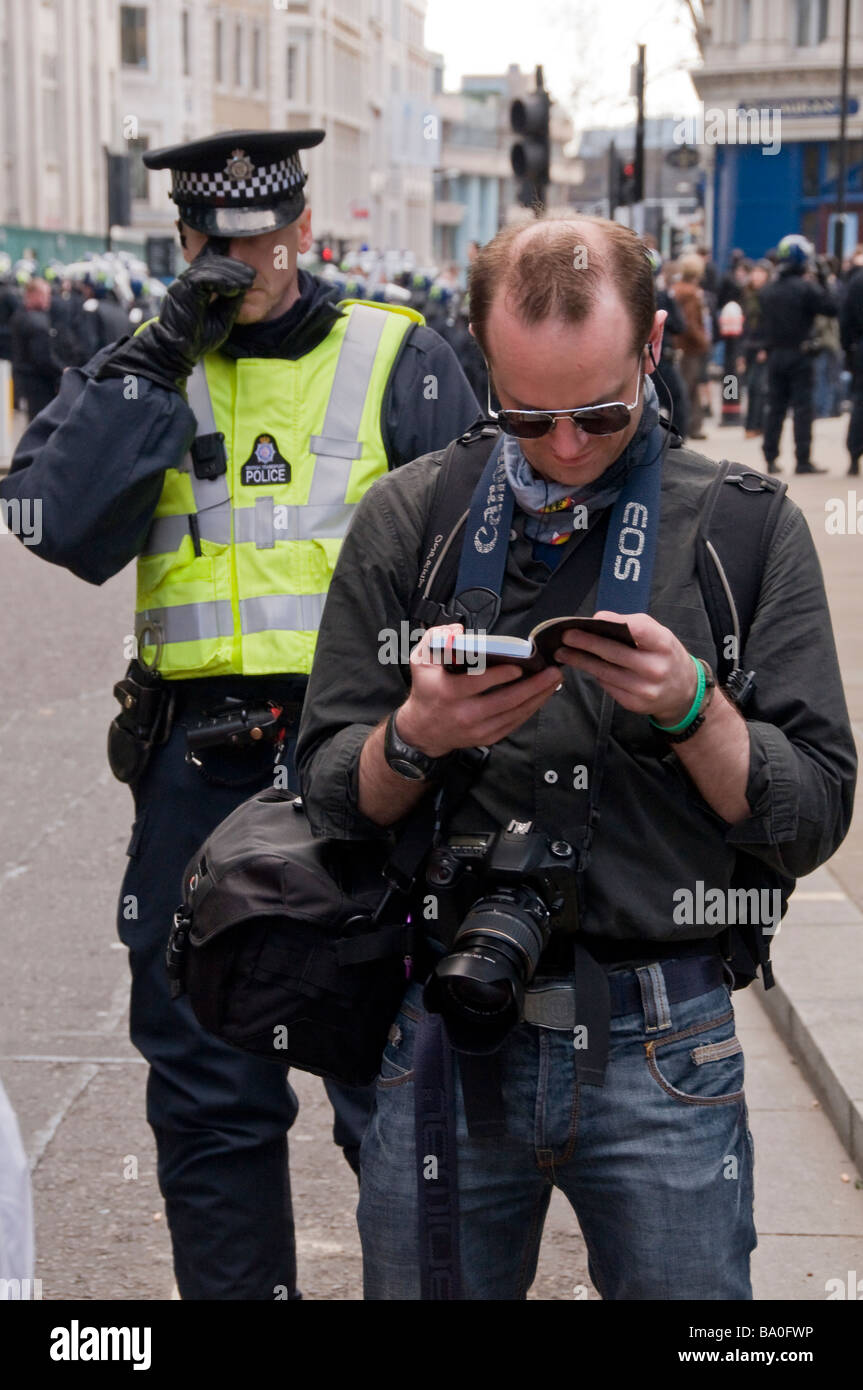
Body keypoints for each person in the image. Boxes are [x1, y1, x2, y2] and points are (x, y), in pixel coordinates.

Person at [296, 215, 856, 1301]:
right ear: (480, 363)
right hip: (446, 1021)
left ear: (652, 347)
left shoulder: (743, 529)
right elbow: (326, 795)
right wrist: (415, 739)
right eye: (526, 413)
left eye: (597, 412)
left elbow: (814, 814)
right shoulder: (409, 519)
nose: (562, 444)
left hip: (666, 1039)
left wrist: (697, 712)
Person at [0, 128, 480, 1300]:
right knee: (213, 1097)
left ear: (305, 231)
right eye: (218, 244)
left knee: (394, 1081)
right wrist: (160, 356)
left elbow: (483, 552)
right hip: (196, 779)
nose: (244, 265)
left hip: (370, 763)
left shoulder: (397, 356)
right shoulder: (141, 367)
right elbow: (46, 523)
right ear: (181, 242)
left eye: (265, 240)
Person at [758, 234, 837, 475]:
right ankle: (803, 459)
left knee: (775, 407)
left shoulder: (768, 290)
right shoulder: (806, 289)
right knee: (803, 408)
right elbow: (832, 307)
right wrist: (824, 278)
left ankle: (770, 457)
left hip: (775, 355)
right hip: (800, 354)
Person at [9, 278, 63, 421]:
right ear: (32, 295)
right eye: (45, 295)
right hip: (38, 384)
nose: (48, 299)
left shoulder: (20, 315)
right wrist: (62, 371)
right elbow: (43, 357)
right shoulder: (36, 322)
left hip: (25, 380)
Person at [671, 253, 709, 439]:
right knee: (688, 388)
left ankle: (692, 425)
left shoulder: (675, 290)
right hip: (690, 347)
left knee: (688, 387)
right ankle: (688, 426)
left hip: (677, 345)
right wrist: (704, 341)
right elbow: (691, 322)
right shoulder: (692, 294)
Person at [839, 244, 863, 475]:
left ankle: (855, 454)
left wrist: (848, 349)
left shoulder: (856, 282)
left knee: (860, 403)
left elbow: (845, 320)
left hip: (860, 349)